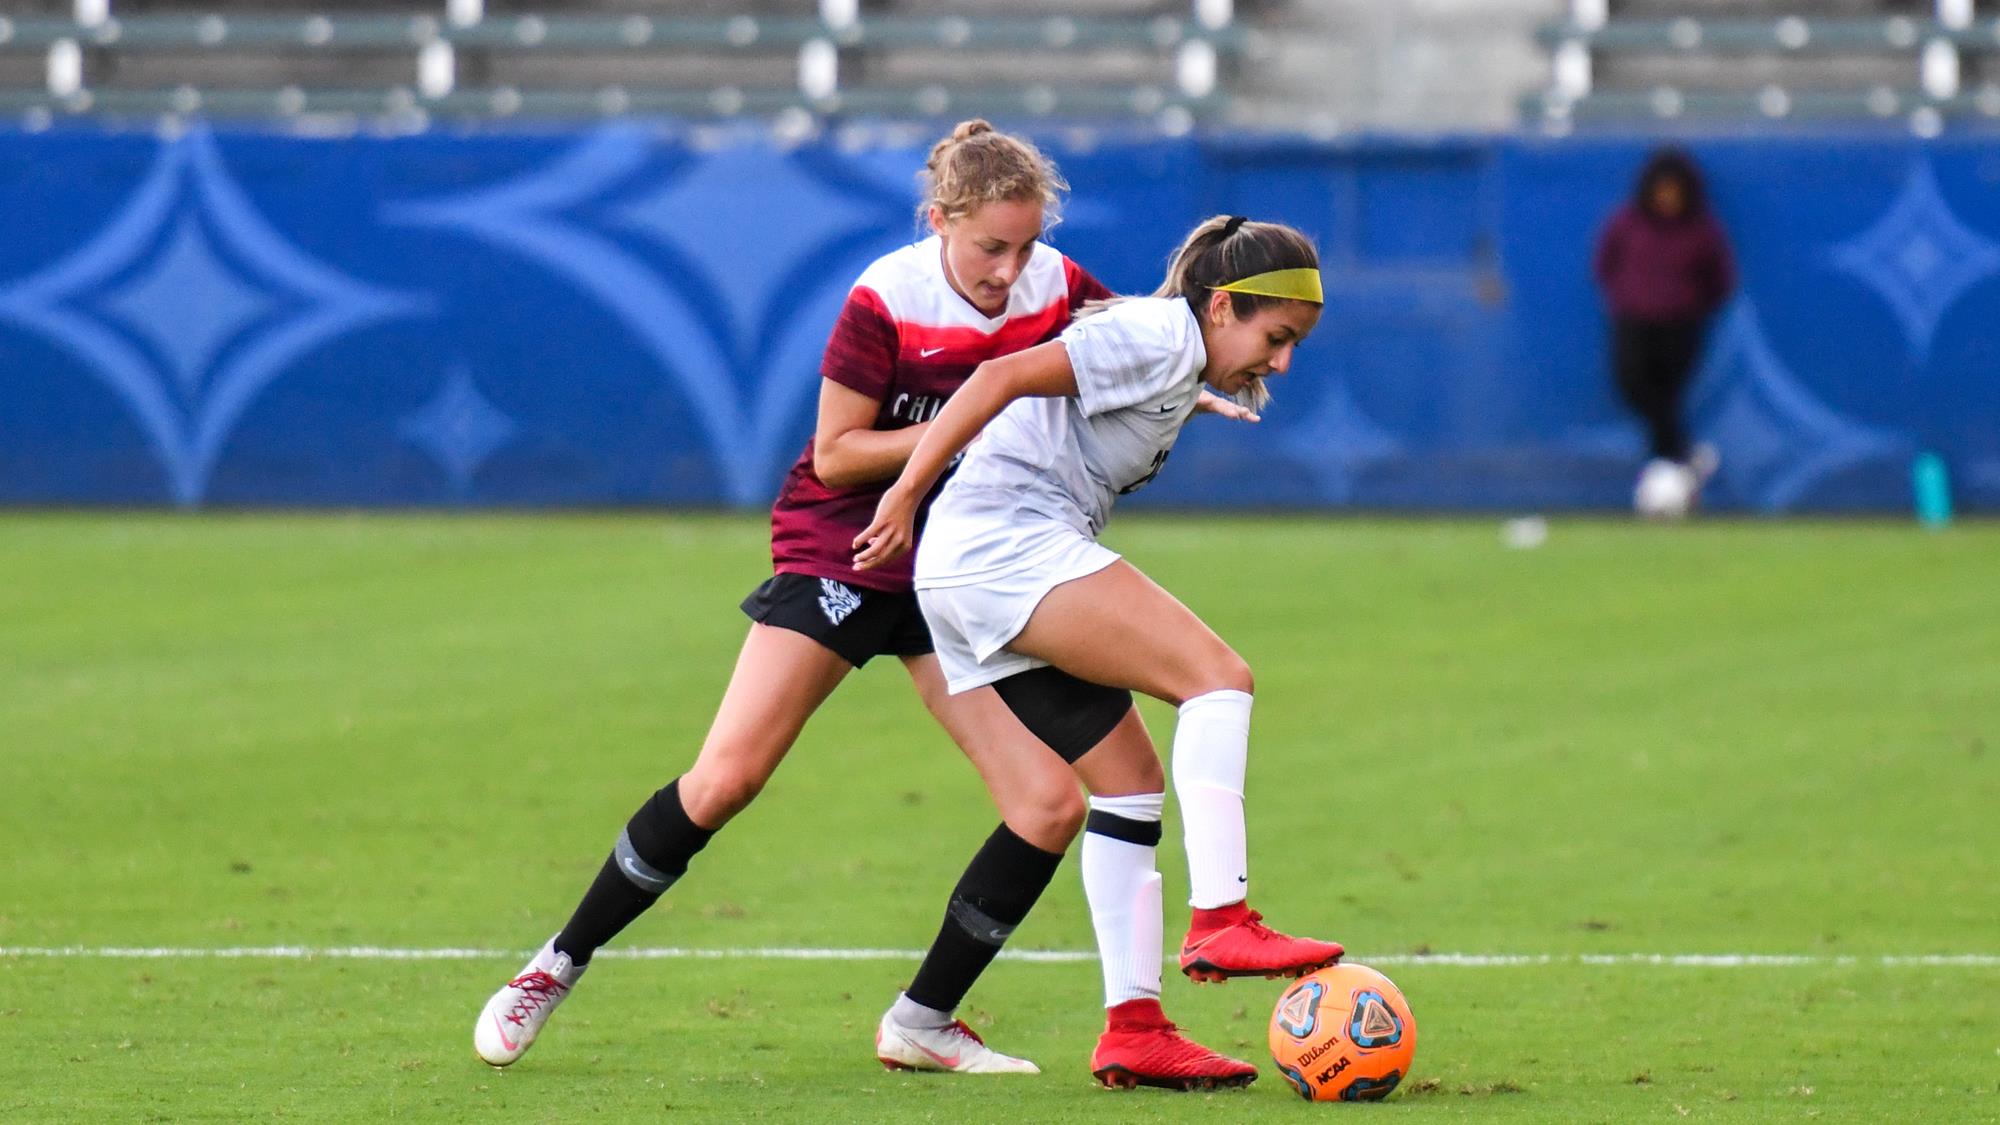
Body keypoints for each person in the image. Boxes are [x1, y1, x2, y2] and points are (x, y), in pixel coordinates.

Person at [473, 119, 1115, 1074]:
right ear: (939, 220)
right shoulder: (885, 298)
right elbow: (838, 454)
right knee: (726, 779)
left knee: (1049, 803)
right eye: (991, 246)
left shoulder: (1055, 284)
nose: (1009, 269)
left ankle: (923, 1021)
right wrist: (977, 419)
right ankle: (554, 964)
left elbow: (1131, 348)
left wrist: (1199, 370)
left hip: (957, 564)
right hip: (845, 549)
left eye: (1025, 247)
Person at [855, 215, 1344, 1090]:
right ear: (1221, 306)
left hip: (971, 570)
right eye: (1276, 338)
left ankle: (1135, 1028)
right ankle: (1222, 915)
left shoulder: (1172, 355)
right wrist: (904, 491)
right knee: (1218, 678)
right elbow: (1000, 375)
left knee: (1127, 782)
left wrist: (1183, 390)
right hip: (1001, 548)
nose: (1281, 363)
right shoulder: (1160, 335)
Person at [1592, 146, 1735, 516]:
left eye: (1674, 190)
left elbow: (1720, 279)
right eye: (1661, 189)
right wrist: (1624, 298)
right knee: (1634, 384)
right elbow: (1604, 263)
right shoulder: (1627, 223)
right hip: (1633, 321)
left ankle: (1666, 482)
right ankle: (1685, 455)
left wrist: (1691, 306)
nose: (1667, 197)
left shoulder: (1701, 229)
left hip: (1680, 325)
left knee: (1668, 396)